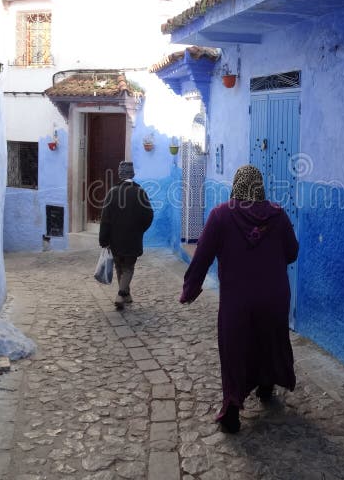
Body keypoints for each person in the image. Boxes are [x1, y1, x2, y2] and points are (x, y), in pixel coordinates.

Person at [180, 165, 299, 433]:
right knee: (270, 340)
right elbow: (292, 253)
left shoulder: (221, 215)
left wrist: (190, 289)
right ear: (260, 187)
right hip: (274, 297)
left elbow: (202, 256)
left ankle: (232, 410)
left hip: (238, 301)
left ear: (235, 186)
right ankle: (266, 386)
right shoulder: (278, 216)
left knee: (235, 349)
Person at [99, 161, 154, 309]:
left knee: (119, 266)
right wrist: (140, 230)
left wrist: (103, 239)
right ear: (132, 174)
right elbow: (149, 215)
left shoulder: (112, 192)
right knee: (128, 267)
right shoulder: (140, 192)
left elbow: (105, 219)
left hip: (115, 240)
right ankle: (122, 294)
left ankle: (124, 295)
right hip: (133, 239)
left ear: (120, 174)